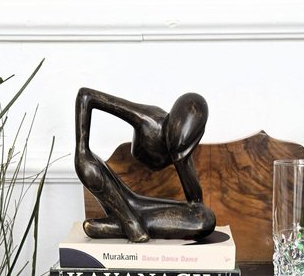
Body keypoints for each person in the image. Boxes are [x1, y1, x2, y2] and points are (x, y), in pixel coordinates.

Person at [74, 88, 216, 242]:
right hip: (119, 194)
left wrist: (183, 159)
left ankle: (119, 224)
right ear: (169, 125)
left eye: (178, 154)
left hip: (135, 203)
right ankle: (129, 221)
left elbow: (196, 203)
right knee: (88, 167)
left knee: (205, 219)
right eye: (173, 151)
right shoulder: (147, 119)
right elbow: (86, 95)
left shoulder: (182, 149)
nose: (175, 158)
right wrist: (82, 148)